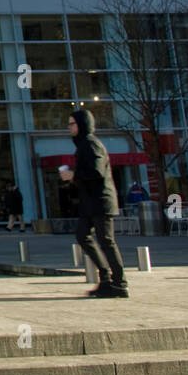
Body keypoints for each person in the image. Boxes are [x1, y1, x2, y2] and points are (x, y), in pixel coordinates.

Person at [68, 109, 128, 298]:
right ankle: (106, 278)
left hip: (101, 201)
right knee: (82, 236)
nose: (69, 128)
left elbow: (97, 172)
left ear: (82, 124)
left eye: (72, 124)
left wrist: (73, 175)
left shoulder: (92, 144)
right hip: (90, 203)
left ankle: (119, 284)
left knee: (106, 242)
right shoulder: (83, 145)